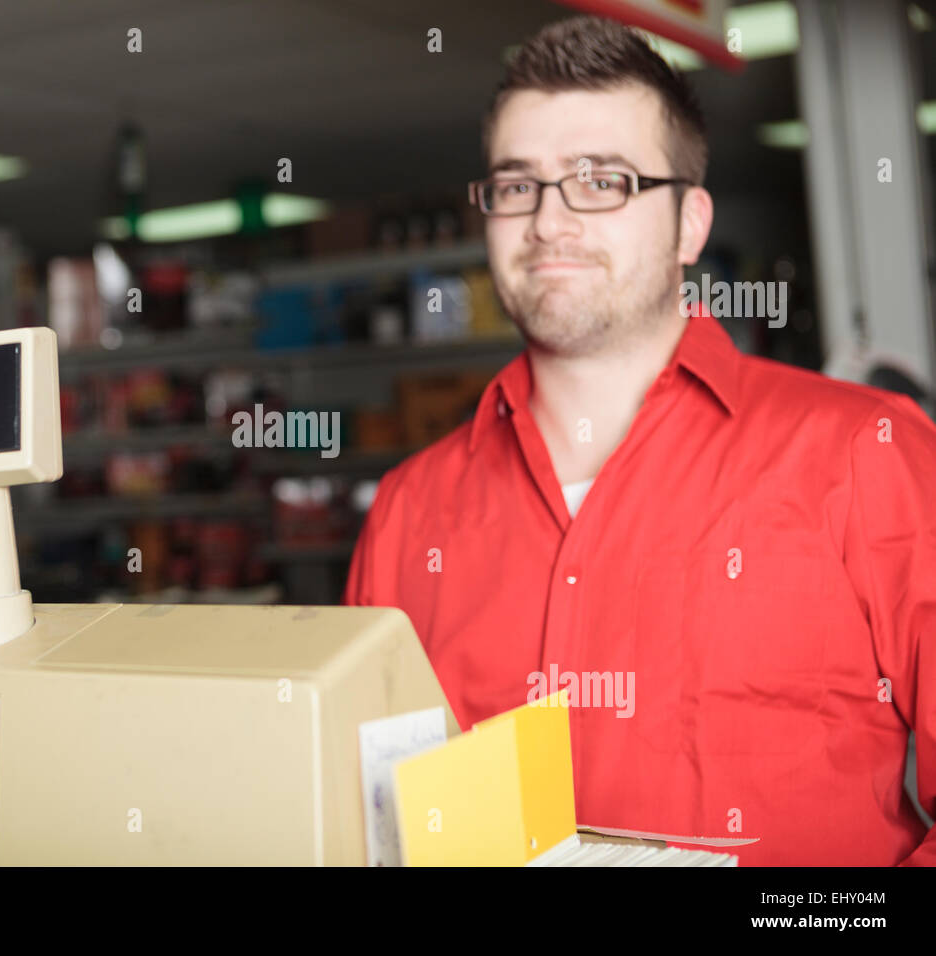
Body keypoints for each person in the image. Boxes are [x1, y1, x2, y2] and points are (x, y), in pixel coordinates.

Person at [345, 15, 934, 866]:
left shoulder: (866, 455)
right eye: (518, 186)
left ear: (690, 225)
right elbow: (373, 826)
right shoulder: (408, 516)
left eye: (602, 181)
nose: (549, 222)